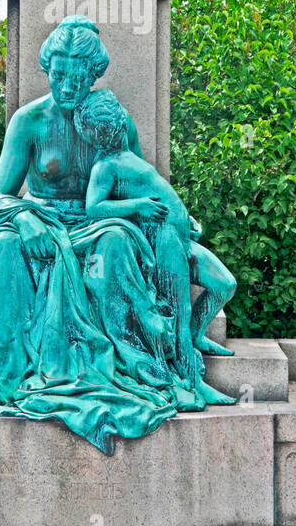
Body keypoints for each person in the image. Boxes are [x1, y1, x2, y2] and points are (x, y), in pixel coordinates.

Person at [0, 15, 233, 453]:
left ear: (93, 75)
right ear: (48, 70)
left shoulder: (113, 122)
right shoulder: (28, 121)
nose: (67, 85)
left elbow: (137, 185)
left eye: (77, 75)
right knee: (4, 245)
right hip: (38, 220)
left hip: (98, 225)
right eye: (58, 75)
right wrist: (23, 216)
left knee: (116, 242)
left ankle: (131, 370)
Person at [76, 89, 236, 366]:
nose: (120, 127)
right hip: (162, 241)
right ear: (96, 134)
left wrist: (187, 219)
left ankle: (196, 336)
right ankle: (188, 372)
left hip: (180, 235)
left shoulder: (126, 147)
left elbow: (158, 186)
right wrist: (138, 206)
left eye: (117, 122)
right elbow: (93, 207)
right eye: (111, 126)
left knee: (225, 284)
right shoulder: (105, 167)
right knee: (179, 308)